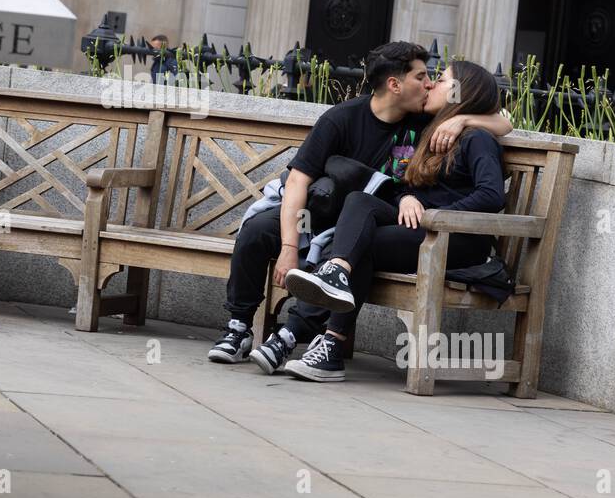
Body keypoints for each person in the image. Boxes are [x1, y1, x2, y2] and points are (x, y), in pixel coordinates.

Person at [207, 42, 512, 366]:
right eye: (423, 77)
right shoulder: (343, 118)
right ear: (394, 84)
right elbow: (298, 181)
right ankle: (239, 328)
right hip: (318, 214)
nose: (430, 84)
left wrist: (461, 119)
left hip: (369, 220)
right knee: (256, 231)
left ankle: (296, 334)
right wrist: (288, 246)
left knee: (353, 244)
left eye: (437, 79)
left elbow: (502, 118)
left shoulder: (426, 124)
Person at [280, 60, 508, 382]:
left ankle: (313, 338)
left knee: (363, 244)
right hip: (425, 230)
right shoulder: (432, 131)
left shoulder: (476, 139)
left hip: (457, 239)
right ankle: (336, 275)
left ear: (461, 93)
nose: (430, 85)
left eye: (441, 81)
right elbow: (410, 189)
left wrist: (434, 217)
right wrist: (406, 198)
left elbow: (491, 196)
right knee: (359, 203)